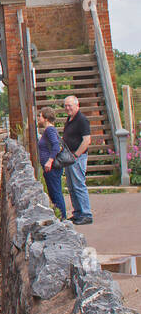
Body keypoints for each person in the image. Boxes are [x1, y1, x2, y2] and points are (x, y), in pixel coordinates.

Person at [62, 95, 93, 224]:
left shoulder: (82, 120)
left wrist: (76, 155)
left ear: (77, 105)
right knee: (71, 186)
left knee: (79, 185)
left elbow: (87, 140)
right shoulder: (70, 119)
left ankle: (86, 213)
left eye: (70, 105)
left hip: (77, 158)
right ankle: (78, 212)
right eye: (66, 106)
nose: (67, 108)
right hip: (69, 157)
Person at [37, 107, 67, 220]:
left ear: (45, 118)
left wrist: (49, 161)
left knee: (56, 192)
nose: (38, 118)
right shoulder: (50, 130)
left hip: (52, 168)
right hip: (51, 168)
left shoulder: (49, 130)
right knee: (54, 192)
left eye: (40, 116)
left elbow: (56, 146)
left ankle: (62, 217)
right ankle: (60, 216)